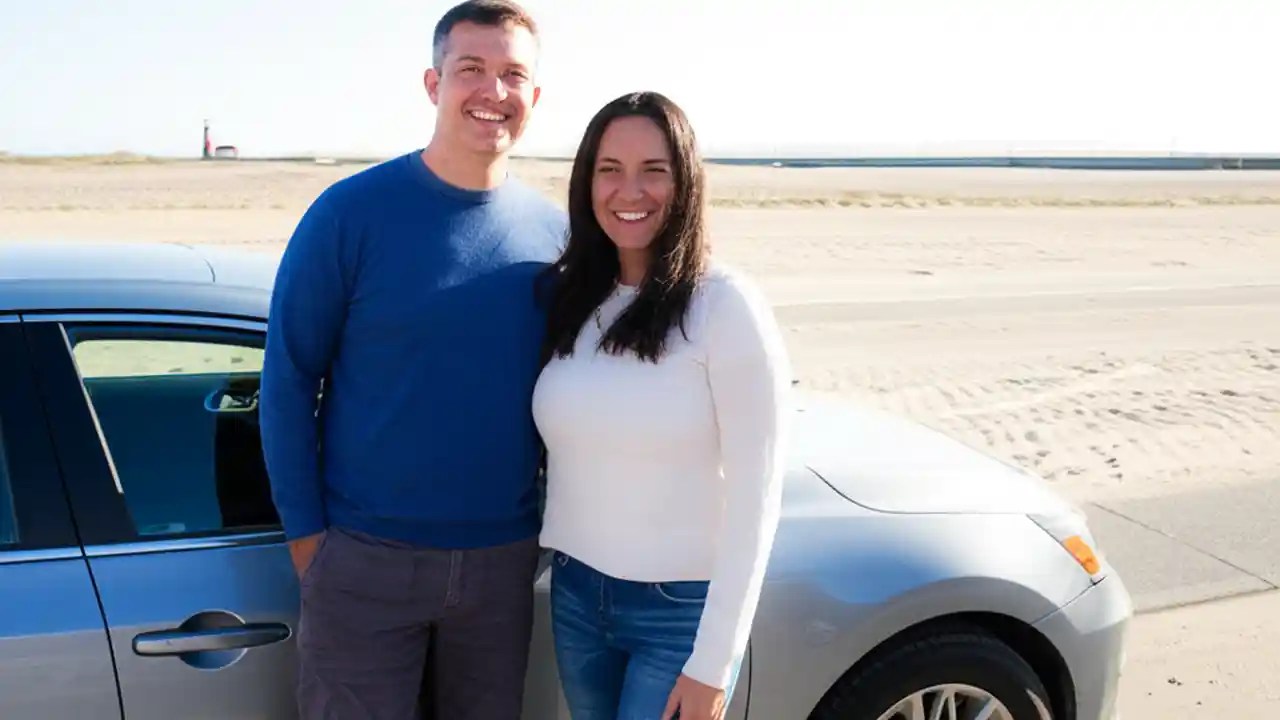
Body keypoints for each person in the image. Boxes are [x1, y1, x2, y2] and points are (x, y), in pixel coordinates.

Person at [259, 1, 565, 718]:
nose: (493, 92)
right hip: (364, 558)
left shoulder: (557, 234)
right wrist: (311, 544)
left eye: (513, 74)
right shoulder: (349, 214)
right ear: (433, 85)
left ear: (535, 97)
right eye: (471, 70)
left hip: (501, 567)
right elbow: (287, 380)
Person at [533, 91, 792, 720]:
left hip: (677, 613)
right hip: (575, 595)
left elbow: (760, 495)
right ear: (586, 182)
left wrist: (713, 662)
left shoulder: (724, 306)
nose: (631, 190)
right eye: (610, 170)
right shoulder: (570, 299)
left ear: (685, 183)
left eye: (655, 171)